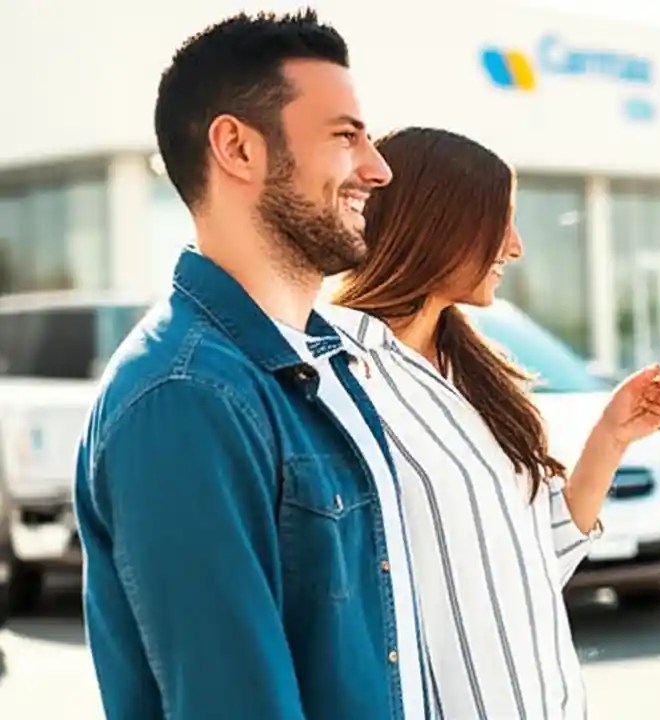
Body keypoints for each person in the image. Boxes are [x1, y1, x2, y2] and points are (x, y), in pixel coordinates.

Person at [73, 11, 435, 720]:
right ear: (237, 147)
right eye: (345, 136)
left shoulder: (324, 363)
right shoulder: (183, 397)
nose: (378, 168)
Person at [318, 126, 660, 720]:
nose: (514, 247)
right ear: (437, 224)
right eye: (499, 222)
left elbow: (531, 561)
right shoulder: (338, 371)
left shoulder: (474, 373)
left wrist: (611, 436)